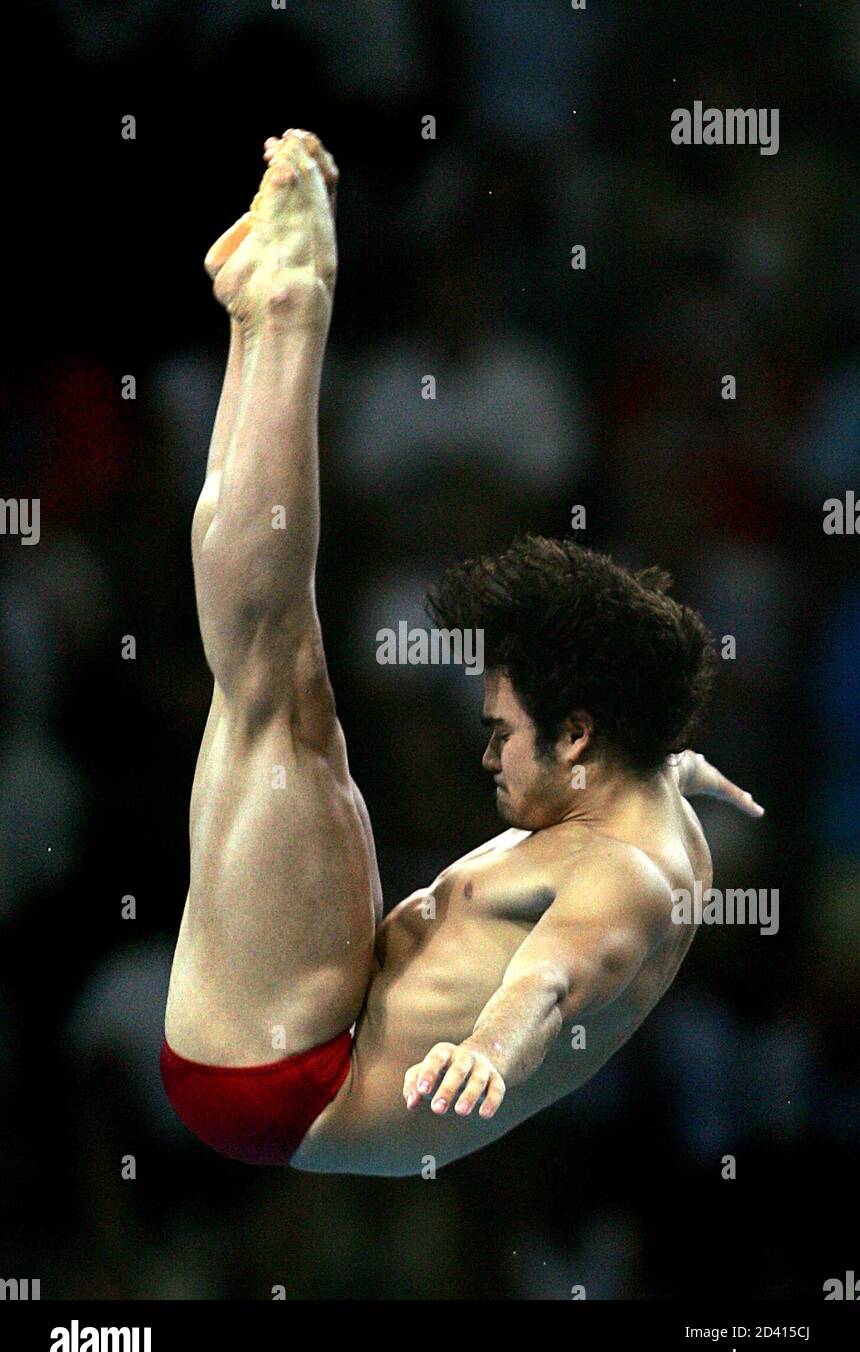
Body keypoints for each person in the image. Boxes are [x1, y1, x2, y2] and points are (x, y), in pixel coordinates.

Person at [160, 129, 763, 1177]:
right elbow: (645, 781)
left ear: (576, 733)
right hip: (313, 1033)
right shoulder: (649, 803)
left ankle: (287, 313)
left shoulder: (626, 876)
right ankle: (263, 321)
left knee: (278, 685)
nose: (483, 755)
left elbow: (555, 975)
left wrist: (489, 1050)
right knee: (269, 676)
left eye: (500, 730)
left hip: (291, 1071)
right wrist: (680, 762)